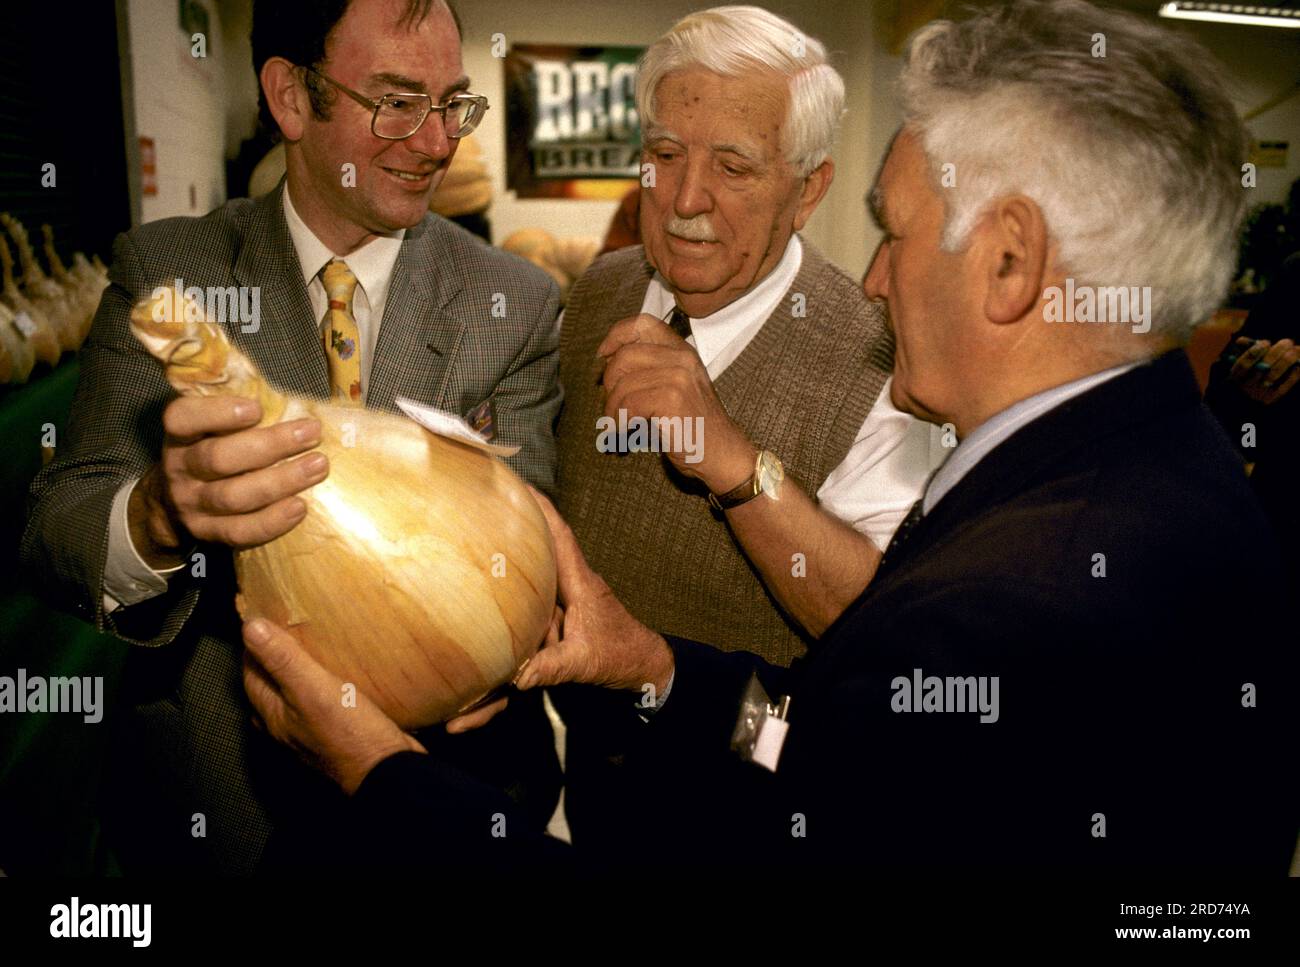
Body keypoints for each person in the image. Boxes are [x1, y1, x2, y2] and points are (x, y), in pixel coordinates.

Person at [249, 0, 1293, 872]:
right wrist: (654, 667)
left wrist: (378, 772)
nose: (877, 281)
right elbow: (843, 741)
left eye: (893, 234)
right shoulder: (1142, 469)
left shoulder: (1016, 607)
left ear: (1011, 265)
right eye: (663, 155)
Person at [20, 0, 563, 874]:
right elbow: (57, 533)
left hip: (447, 807)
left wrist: (497, 657)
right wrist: (162, 511)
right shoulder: (170, 275)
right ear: (289, 97)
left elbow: (530, 536)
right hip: (221, 803)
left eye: (452, 102)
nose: (436, 143)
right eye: (395, 101)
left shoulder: (516, 303)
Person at [552, 5, 936, 846]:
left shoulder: (879, 355)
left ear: (809, 190)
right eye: (663, 156)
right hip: (590, 797)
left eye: (733, 167)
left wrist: (727, 456)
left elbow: (875, 626)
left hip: (764, 813)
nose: (686, 199)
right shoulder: (599, 293)